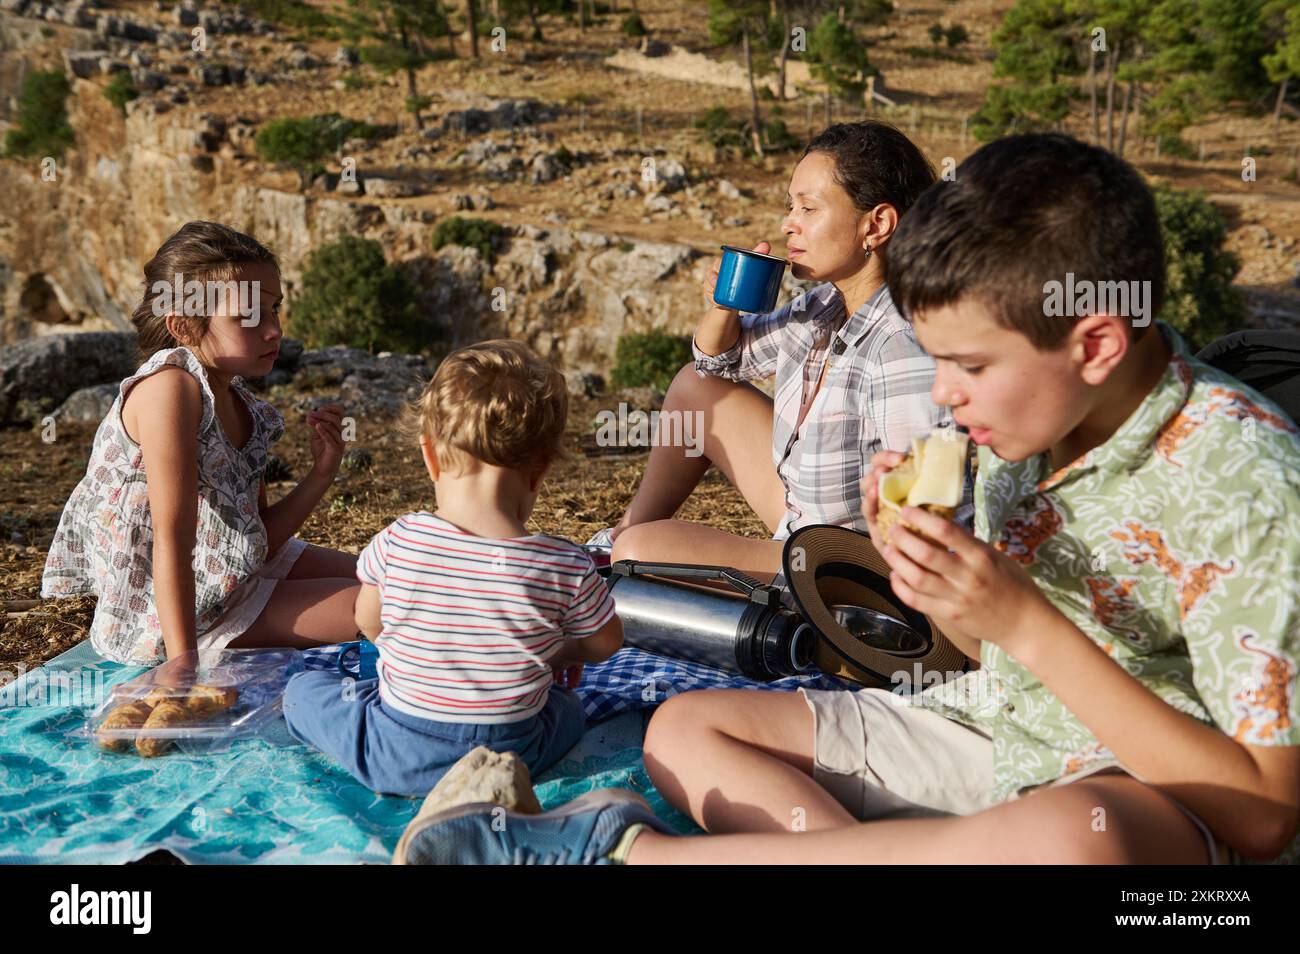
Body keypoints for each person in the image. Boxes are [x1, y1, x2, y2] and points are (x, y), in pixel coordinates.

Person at [397, 135, 1300, 865]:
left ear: (1096, 342)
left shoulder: (1247, 484)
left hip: (1145, 799)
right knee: (686, 729)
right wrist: (919, 574)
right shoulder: (1030, 419)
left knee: (1070, 842)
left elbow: (1263, 818)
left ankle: (616, 853)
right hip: (994, 729)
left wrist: (1022, 623)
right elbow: (984, 654)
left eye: (971, 366)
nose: (943, 395)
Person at [599, 121, 953, 581]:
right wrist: (726, 306)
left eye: (808, 208)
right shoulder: (823, 306)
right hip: (802, 520)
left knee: (641, 552)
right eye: (791, 205)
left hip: (846, 567)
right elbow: (714, 363)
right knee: (694, 388)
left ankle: (625, 550)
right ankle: (617, 536)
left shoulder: (902, 346)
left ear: (877, 225)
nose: (789, 223)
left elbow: (932, 525)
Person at [281, 340, 623, 797]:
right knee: (568, 708)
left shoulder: (400, 539)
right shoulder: (565, 563)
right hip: (513, 754)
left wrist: (419, 657)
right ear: (539, 472)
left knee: (301, 691)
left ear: (429, 455)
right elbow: (606, 641)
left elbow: (367, 620)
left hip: (398, 756)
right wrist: (558, 653)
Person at [41, 221, 360, 666]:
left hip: (231, 575)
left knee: (392, 576)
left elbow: (256, 541)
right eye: (249, 315)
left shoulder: (240, 402)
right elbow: (172, 539)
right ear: (185, 326)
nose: (274, 330)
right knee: (381, 607)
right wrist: (182, 666)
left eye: (275, 309)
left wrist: (320, 474)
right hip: (181, 613)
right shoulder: (169, 390)